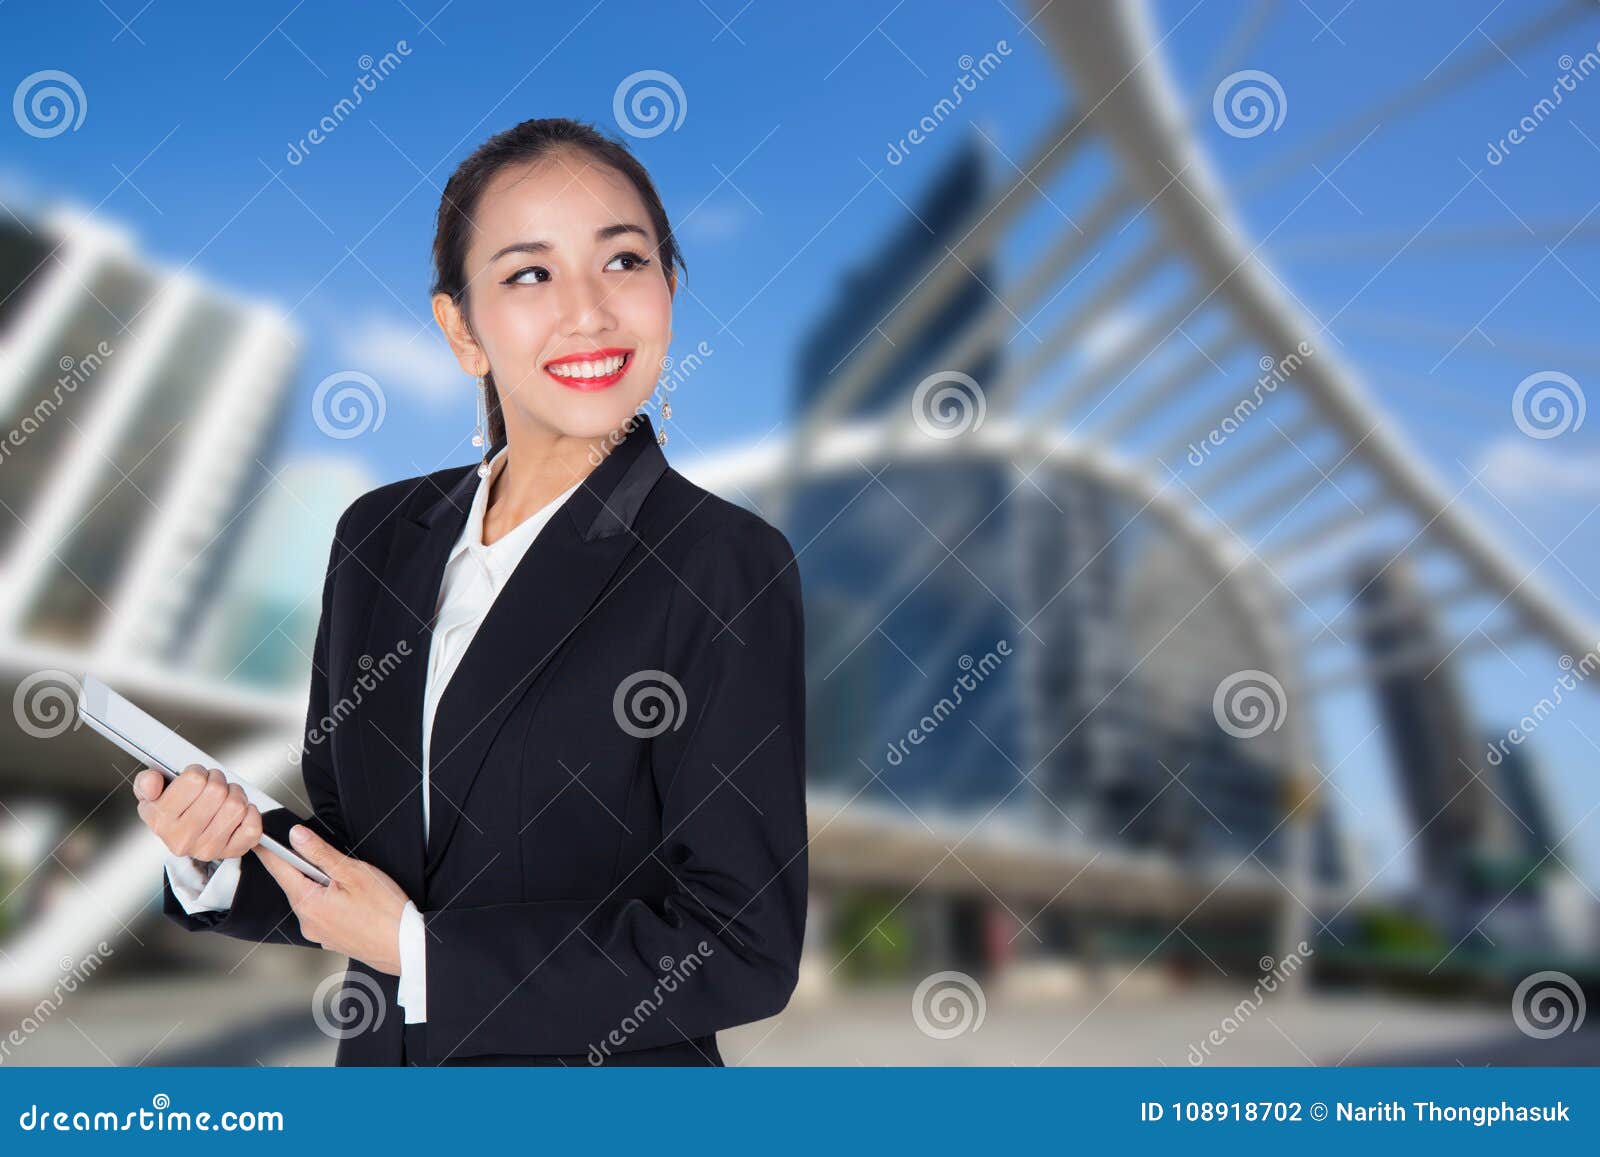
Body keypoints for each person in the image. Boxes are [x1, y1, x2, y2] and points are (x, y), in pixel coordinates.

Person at [131, 117, 809, 1066]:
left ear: (669, 288)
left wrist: (416, 951)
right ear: (461, 328)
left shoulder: (722, 560)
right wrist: (211, 855)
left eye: (624, 262)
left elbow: (743, 943)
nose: (588, 311)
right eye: (529, 273)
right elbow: (364, 858)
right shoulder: (378, 536)